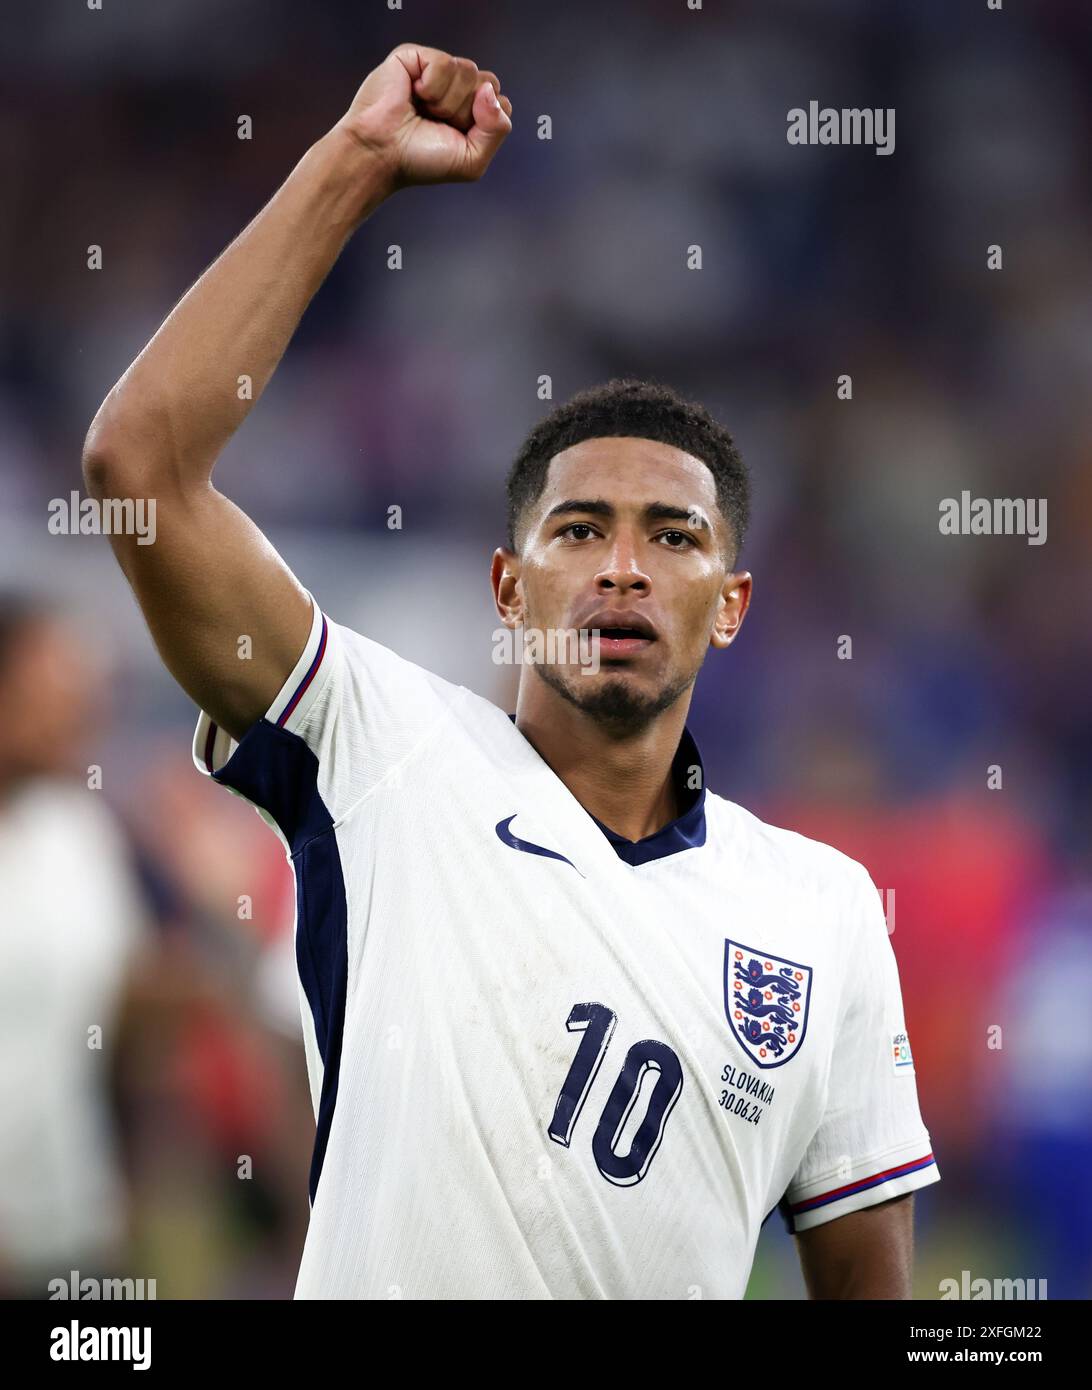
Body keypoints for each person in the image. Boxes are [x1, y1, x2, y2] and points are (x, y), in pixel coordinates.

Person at [83, 43, 938, 1299]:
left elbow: (869, 1289)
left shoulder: (825, 908)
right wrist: (356, 166)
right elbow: (139, 472)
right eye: (579, 530)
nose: (625, 568)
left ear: (734, 606)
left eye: (674, 537)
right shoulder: (380, 745)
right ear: (507, 589)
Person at [0, 597, 146, 1295]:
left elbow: (124, 1015)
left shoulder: (79, 830)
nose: (82, 712)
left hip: (77, 1236)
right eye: (55, 687)